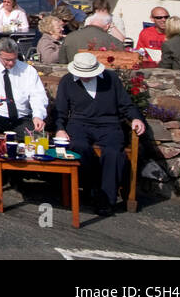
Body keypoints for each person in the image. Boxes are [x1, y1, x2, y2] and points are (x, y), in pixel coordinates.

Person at [55, 52, 146, 216]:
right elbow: (60, 111)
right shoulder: (67, 81)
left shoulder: (111, 79)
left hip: (109, 124)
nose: (86, 77)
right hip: (79, 123)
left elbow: (126, 105)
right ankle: (93, 187)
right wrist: (60, 129)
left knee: (113, 152)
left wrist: (136, 119)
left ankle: (106, 200)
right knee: (78, 147)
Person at [0, 37, 48, 174]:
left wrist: (38, 116)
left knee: (37, 136)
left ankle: (21, 173)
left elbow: (38, 96)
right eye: (7, 60)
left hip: (21, 117)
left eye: (14, 59)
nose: (11, 63)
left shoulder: (28, 71)